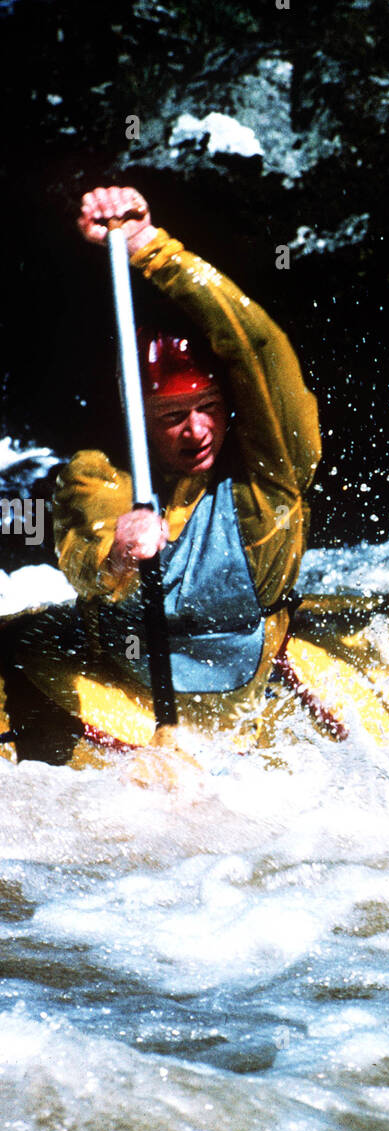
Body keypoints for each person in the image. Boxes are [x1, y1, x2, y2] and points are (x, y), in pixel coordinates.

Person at [1, 185, 321, 759]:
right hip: (125, 684)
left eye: (209, 409)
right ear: (137, 420)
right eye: (173, 417)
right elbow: (84, 557)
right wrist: (120, 552)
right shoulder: (97, 474)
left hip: (251, 686)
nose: (197, 430)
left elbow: (258, 347)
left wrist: (150, 247)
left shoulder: (270, 474)